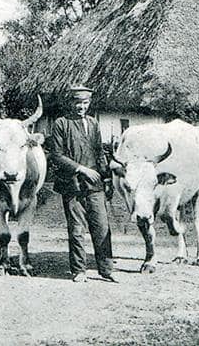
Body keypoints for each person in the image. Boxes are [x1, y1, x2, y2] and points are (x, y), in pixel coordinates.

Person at [48, 85, 116, 283]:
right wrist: (81, 169)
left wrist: (107, 177)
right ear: (70, 103)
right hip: (72, 184)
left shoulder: (93, 123)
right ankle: (79, 270)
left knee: (102, 226)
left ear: (89, 103)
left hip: (95, 185)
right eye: (78, 102)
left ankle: (106, 269)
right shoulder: (61, 123)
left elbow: (99, 152)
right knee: (77, 229)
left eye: (85, 103)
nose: (81, 107)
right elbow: (57, 155)